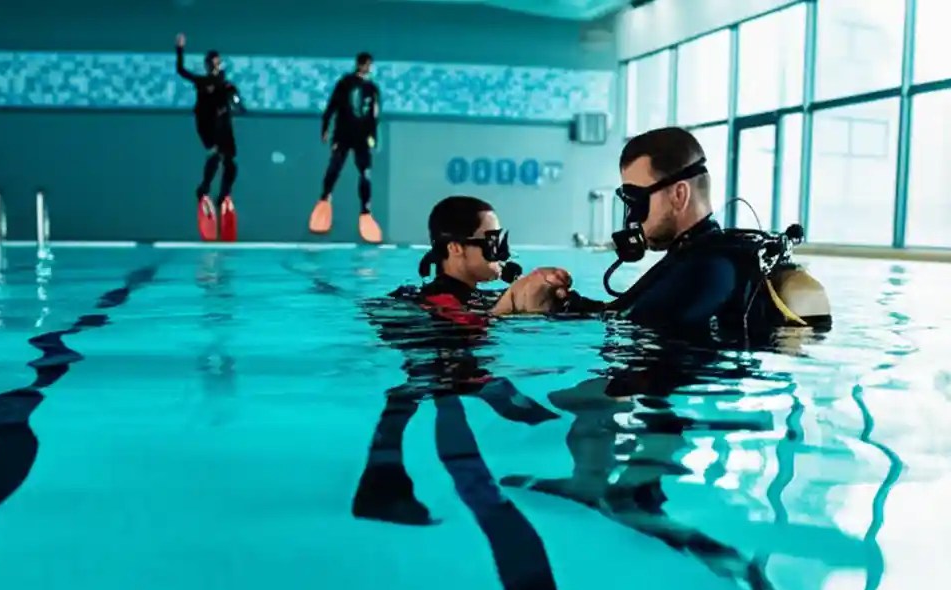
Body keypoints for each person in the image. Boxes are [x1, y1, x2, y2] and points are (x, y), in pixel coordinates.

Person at [352, 196, 571, 525]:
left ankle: (545, 433)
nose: (501, 252)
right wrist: (504, 311)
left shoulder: (476, 297)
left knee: (502, 396)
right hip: (438, 366)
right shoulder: (436, 300)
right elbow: (454, 325)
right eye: (491, 241)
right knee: (441, 386)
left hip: (463, 370)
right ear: (455, 249)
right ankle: (381, 485)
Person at [550, 127, 832, 341]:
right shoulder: (700, 256)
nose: (633, 219)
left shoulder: (704, 267)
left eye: (638, 202)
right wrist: (566, 303)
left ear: (679, 195)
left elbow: (634, 326)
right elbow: (625, 310)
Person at [176, 33, 245, 241]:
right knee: (215, 154)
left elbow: (239, 104)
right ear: (208, 65)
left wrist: (237, 102)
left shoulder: (227, 85)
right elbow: (181, 71)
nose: (216, 66)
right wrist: (179, 49)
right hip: (207, 124)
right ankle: (204, 189)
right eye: (213, 63)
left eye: (218, 62)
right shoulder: (203, 81)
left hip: (224, 125)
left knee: (231, 163)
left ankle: (223, 194)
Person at [308, 52, 384, 244]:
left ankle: (364, 209)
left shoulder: (371, 88)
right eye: (365, 64)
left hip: (359, 138)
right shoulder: (347, 83)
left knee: (362, 173)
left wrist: (374, 138)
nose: (366, 67)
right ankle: (326, 197)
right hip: (344, 135)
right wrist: (325, 128)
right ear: (362, 65)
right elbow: (332, 106)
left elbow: (375, 117)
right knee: (336, 167)